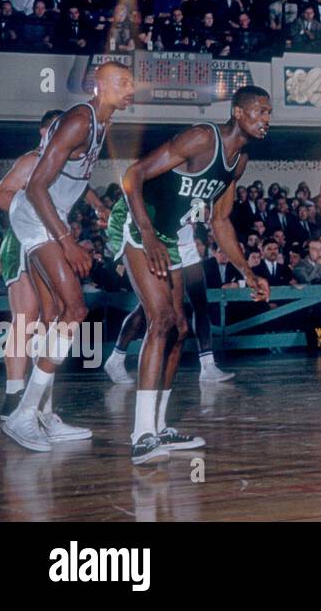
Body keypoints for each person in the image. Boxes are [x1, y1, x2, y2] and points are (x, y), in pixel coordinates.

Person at [103, 87, 272, 463]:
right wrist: (147, 236)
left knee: (180, 328)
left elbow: (220, 220)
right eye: (260, 111)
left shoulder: (239, 161)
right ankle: (141, 435)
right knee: (160, 320)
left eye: (269, 113)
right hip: (137, 221)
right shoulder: (201, 137)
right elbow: (133, 175)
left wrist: (247, 271)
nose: (266, 119)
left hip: (175, 231)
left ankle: (159, 429)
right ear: (238, 112)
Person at [2, 62, 133, 452]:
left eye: (131, 82)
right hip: (34, 216)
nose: (131, 89)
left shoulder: (102, 124)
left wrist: (93, 207)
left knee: (56, 313)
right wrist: (67, 240)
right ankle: (23, 414)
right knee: (74, 309)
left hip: (49, 217)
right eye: (122, 82)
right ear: (99, 85)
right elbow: (38, 186)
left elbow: (70, 181)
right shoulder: (79, 120)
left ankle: (41, 413)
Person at [0, 110, 75, 426]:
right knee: (26, 315)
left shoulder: (66, 168)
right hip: (21, 238)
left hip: (48, 242)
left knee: (53, 315)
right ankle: (14, 394)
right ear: (43, 131)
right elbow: (2, 192)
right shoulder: (32, 160)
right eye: (52, 131)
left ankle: (40, 399)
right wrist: (35, 215)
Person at [103, 229, 237, 386]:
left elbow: (197, 212)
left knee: (200, 302)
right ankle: (116, 358)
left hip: (186, 243)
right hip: (163, 241)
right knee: (149, 307)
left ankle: (208, 366)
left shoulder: (195, 208)